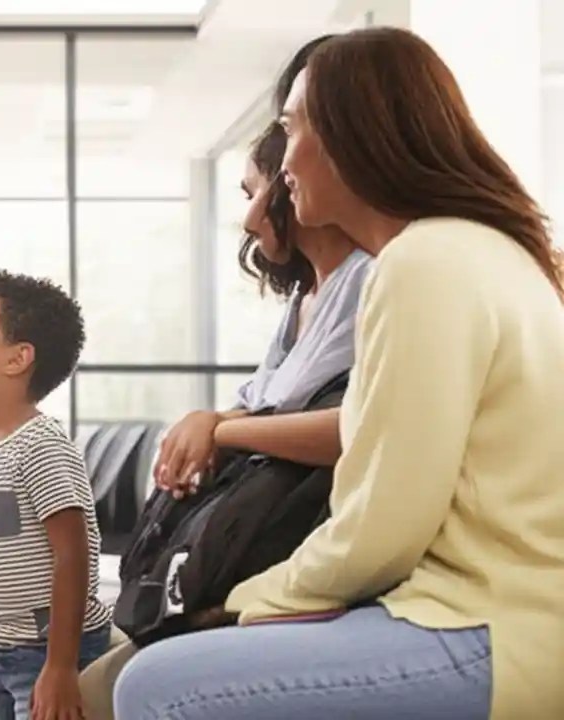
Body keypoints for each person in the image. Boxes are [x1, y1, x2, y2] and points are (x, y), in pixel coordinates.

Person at [114, 27, 564, 720]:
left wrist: (242, 603)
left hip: (485, 628)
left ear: (352, 136)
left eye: (292, 130)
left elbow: (383, 528)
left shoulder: (425, 264)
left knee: (152, 685)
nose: (283, 162)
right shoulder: (480, 252)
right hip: (496, 616)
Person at [79, 120, 372, 720]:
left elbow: (360, 427)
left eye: (252, 192)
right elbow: (270, 403)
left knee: (96, 692)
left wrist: (222, 429)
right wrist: (208, 421)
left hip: (304, 557)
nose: (247, 219)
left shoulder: (371, 281)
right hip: (261, 551)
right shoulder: (306, 300)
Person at [0, 271, 112, 720]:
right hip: (1, 653)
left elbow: (73, 555)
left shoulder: (41, 446)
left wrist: (60, 666)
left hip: (43, 652)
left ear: (17, 359)